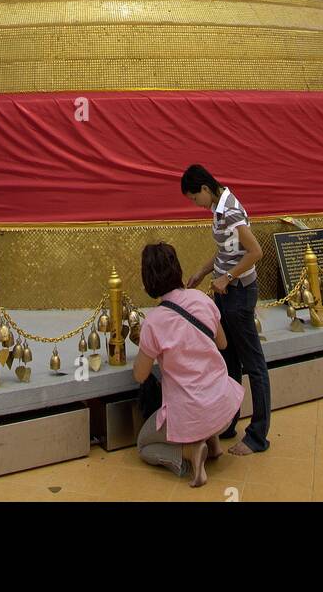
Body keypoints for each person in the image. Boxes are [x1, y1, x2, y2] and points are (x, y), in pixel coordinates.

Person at [133, 241, 244, 488]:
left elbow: (140, 376)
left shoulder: (153, 322)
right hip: (225, 407)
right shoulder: (201, 300)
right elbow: (223, 343)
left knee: (143, 445)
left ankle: (189, 454)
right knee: (202, 389)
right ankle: (212, 443)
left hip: (192, 414)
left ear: (147, 280)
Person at [181, 163, 271, 455]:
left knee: (253, 364)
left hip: (238, 294)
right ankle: (229, 420)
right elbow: (225, 251)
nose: (196, 204)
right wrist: (203, 272)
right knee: (229, 362)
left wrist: (227, 278)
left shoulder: (229, 210)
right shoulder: (219, 208)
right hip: (226, 292)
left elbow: (255, 251)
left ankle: (258, 435)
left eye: (195, 198)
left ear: (205, 189)